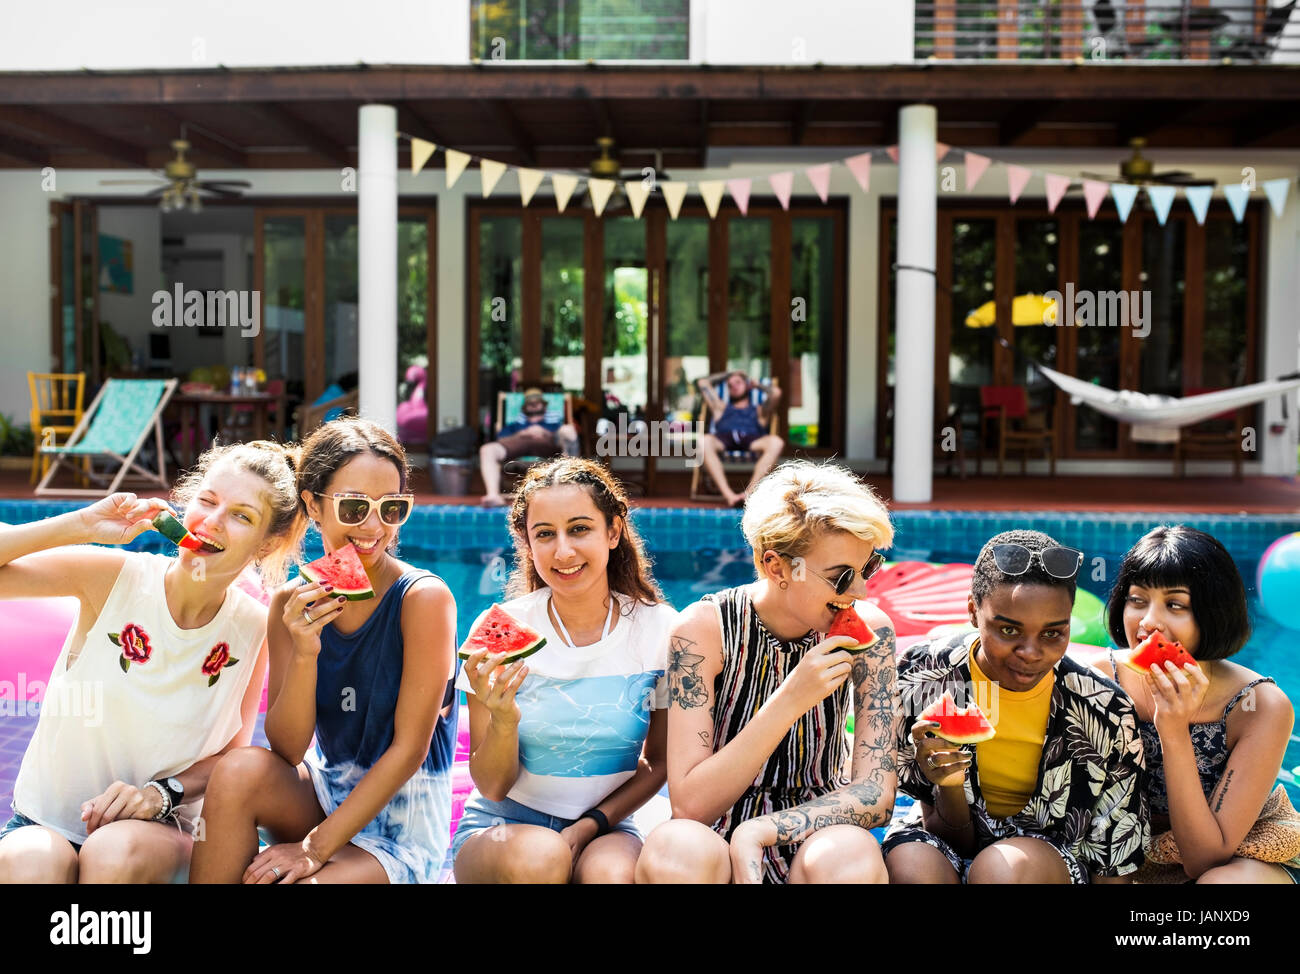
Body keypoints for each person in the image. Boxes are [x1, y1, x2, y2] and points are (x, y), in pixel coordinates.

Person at [0, 441, 304, 883]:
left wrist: (159, 795)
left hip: (160, 832)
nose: (213, 523)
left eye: (242, 516)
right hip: (45, 822)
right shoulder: (113, 579)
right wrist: (81, 524)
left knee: (113, 851)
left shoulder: (255, 629)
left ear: (267, 542)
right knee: (31, 865)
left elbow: (232, 758)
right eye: (207, 501)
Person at [190, 418, 457, 884]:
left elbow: (411, 750)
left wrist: (314, 850)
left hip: (402, 831)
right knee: (239, 770)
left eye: (391, 508)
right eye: (355, 508)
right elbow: (289, 749)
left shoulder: (423, 599)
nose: (375, 528)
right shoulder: (289, 604)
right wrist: (306, 651)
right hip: (324, 795)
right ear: (314, 504)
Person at [636, 460, 899, 884]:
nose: (860, 591)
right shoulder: (702, 630)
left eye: (867, 568)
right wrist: (790, 700)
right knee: (676, 845)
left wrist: (759, 833)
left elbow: (876, 794)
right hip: (714, 840)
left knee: (853, 852)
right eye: (841, 576)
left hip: (816, 828)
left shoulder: (873, 632)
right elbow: (690, 805)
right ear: (776, 566)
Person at [451, 457, 677, 884]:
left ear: (612, 532)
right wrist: (503, 720)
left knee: (613, 875)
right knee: (543, 857)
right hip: (503, 824)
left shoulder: (660, 629)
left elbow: (659, 760)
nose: (563, 551)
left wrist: (591, 824)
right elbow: (492, 787)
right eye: (544, 535)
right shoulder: (499, 627)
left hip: (608, 823)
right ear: (528, 543)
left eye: (579, 529)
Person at [883, 530, 1147, 885]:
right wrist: (947, 784)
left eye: (1053, 633)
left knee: (1000, 870)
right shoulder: (922, 676)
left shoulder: (1107, 710)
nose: (1030, 652)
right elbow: (947, 834)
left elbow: (1115, 862)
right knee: (912, 865)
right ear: (973, 611)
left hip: (1047, 860)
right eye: (1008, 630)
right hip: (943, 839)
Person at [1092, 526, 1298, 884]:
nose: (1149, 622)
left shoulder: (1259, 705)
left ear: (1213, 613)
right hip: (1121, 854)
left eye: (1175, 605)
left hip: (1238, 854)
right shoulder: (1095, 682)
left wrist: (1172, 730)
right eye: (1137, 600)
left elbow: (1204, 861)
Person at [695, 370, 783, 507]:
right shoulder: (720, 407)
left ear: (747, 385)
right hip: (724, 439)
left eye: (738, 382)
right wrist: (729, 374)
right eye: (729, 385)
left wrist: (757, 385)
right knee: (703, 440)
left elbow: (776, 393)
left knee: (776, 442)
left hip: (752, 440)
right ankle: (729, 496)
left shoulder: (760, 411)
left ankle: (749, 493)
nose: (733, 386)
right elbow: (702, 382)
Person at [479, 387, 579, 508]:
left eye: (537, 402)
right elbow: (501, 439)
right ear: (524, 408)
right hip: (518, 443)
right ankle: (493, 495)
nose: (534, 405)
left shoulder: (554, 425)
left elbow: (567, 436)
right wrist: (522, 433)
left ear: (544, 406)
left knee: (569, 430)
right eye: (530, 403)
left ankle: (571, 487)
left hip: (547, 445)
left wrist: (545, 432)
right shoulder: (515, 426)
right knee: (487, 450)